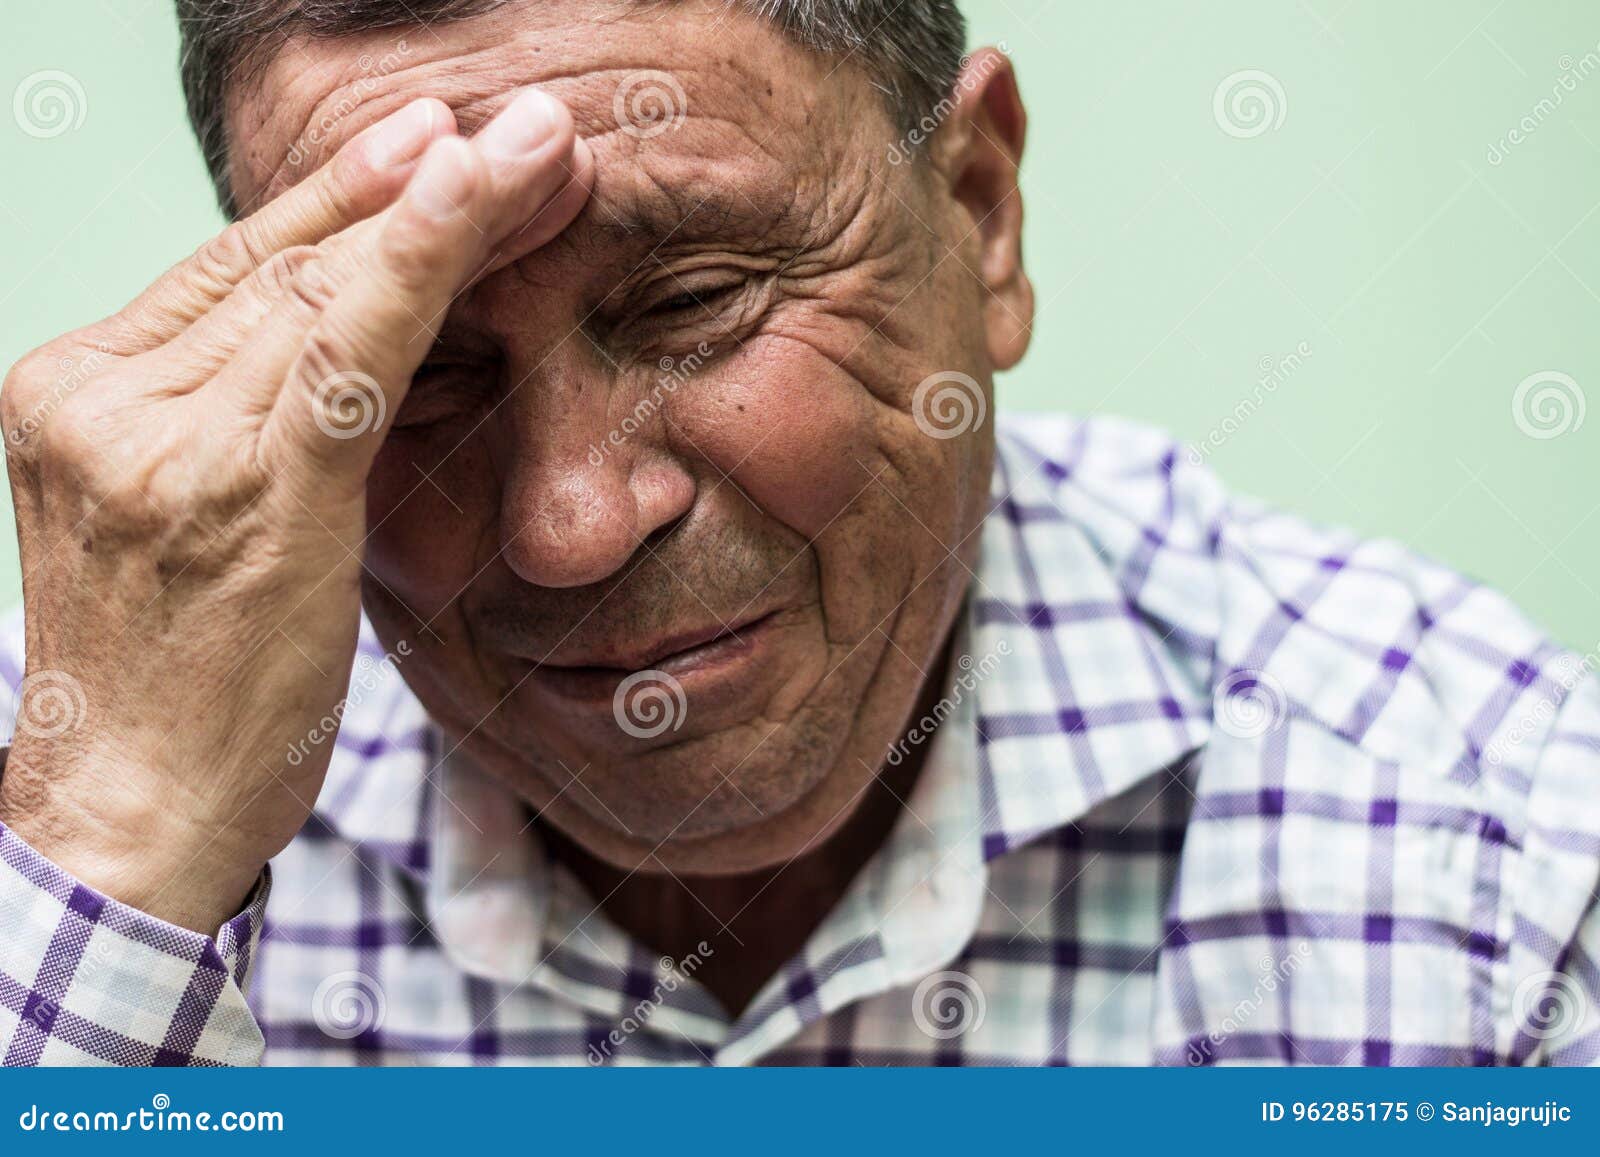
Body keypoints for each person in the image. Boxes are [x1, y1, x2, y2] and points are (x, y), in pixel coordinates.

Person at [0, 0, 1595, 1066]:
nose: (568, 525)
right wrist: (123, 846)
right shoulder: (70, 806)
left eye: (695, 301)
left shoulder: (1494, 862)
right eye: (419, 360)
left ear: (979, 211)